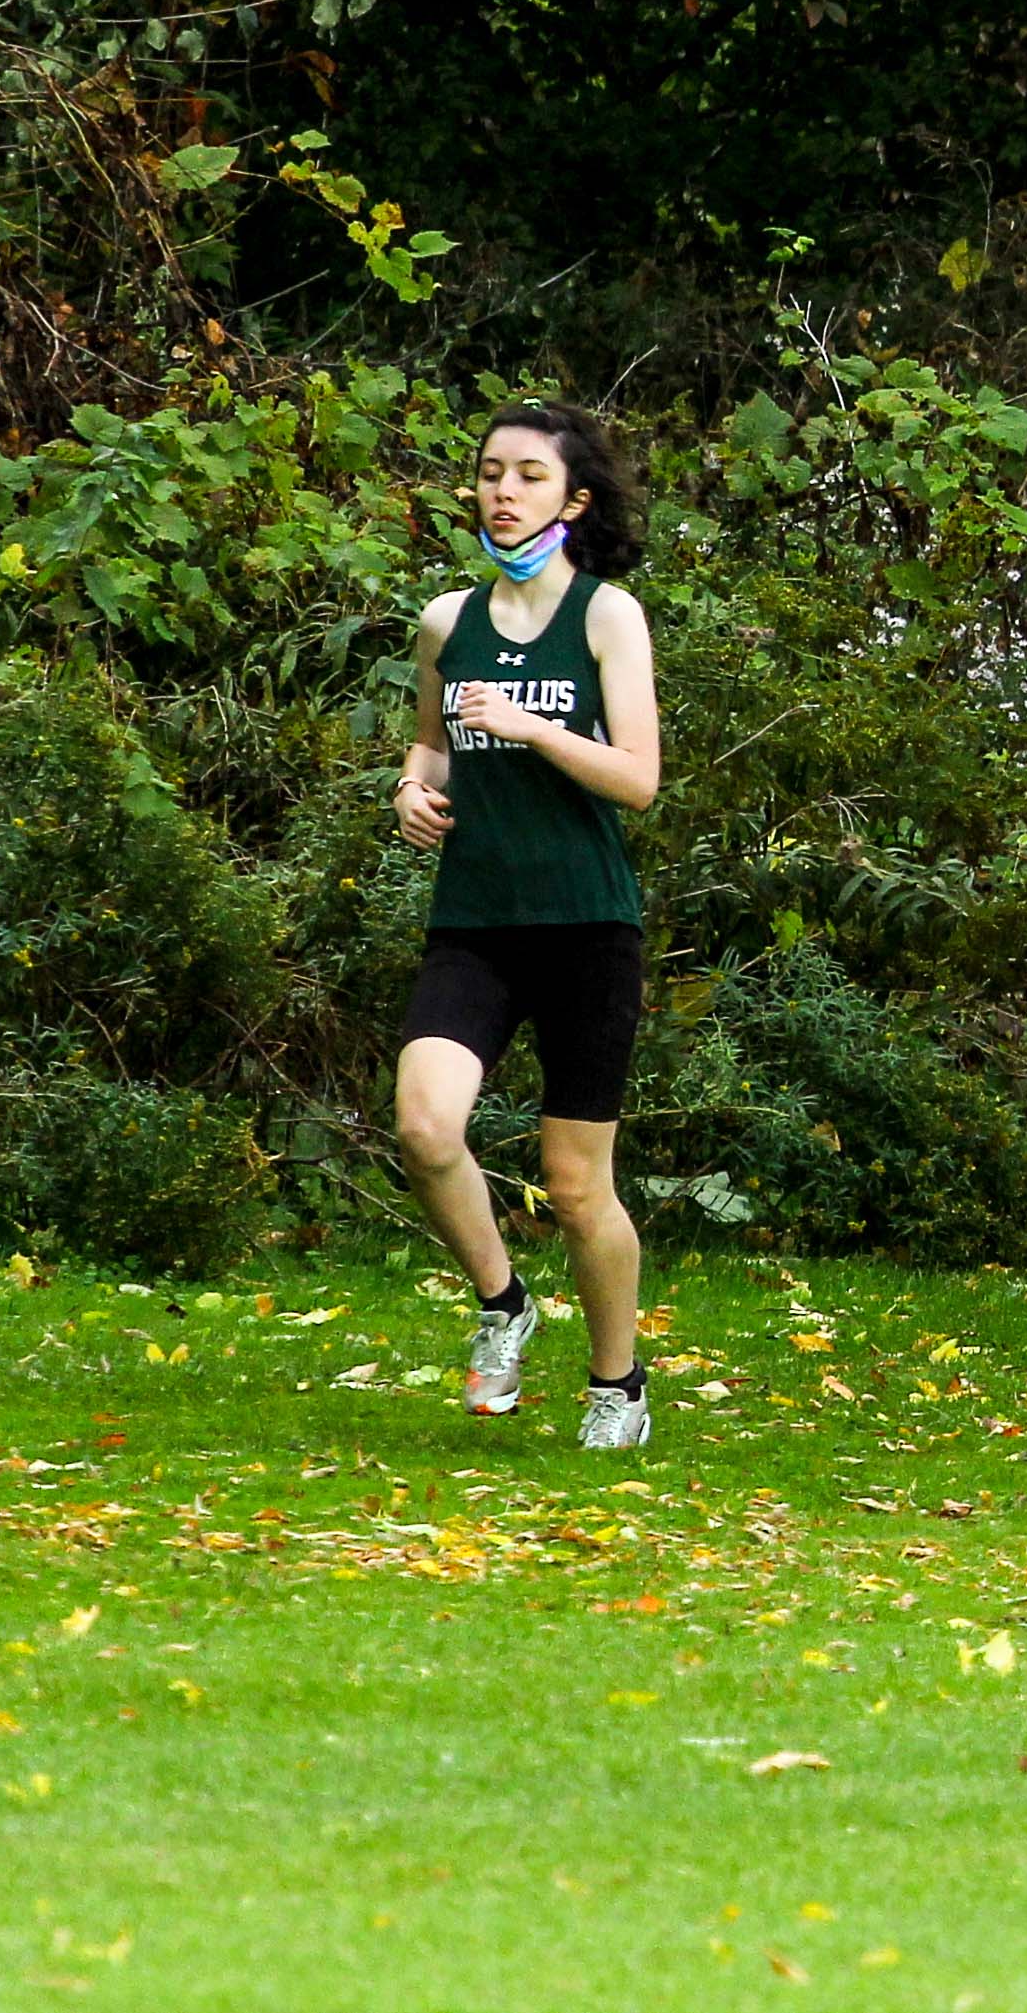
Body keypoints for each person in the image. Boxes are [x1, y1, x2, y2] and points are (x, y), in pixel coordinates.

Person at [391, 403, 663, 1450]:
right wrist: (411, 790)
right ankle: (503, 1302)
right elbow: (430, 747)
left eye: (529, 475)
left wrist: (535, 726)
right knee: (423, 1124)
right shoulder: (445, 620)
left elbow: (637, 781)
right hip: (476, 921)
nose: (503, 490)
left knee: (574, 1183)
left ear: (574, 498)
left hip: (587, 925)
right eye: (490, 471)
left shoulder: (605, 615)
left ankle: (616, 1384)